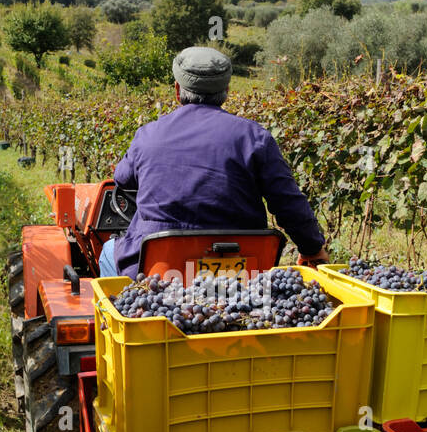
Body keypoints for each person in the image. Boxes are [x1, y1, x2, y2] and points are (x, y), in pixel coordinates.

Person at [99, 46, 329, 278]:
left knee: (108, 251)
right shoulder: (255, 137)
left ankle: (120, 311)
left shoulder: (148, 135)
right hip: (240, 274)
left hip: (160, 274)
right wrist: (312, 249)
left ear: (177, 90)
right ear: (226, 90)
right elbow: (287, 202)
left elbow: (122, 178)